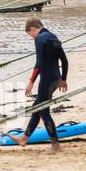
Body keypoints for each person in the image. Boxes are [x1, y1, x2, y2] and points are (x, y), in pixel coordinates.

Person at [13, 17, 69, 152]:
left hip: (47, 80)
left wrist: (31, 82)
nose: (32, 38)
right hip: (56, 79)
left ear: (33, 29)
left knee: (44, 111)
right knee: (36, 107)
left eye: (30, 35)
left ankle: (55, 145)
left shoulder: (39, 39)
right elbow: (64, 60)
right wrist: (63, 79)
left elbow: (39, 64)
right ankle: (24, 138)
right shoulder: (52, 36)